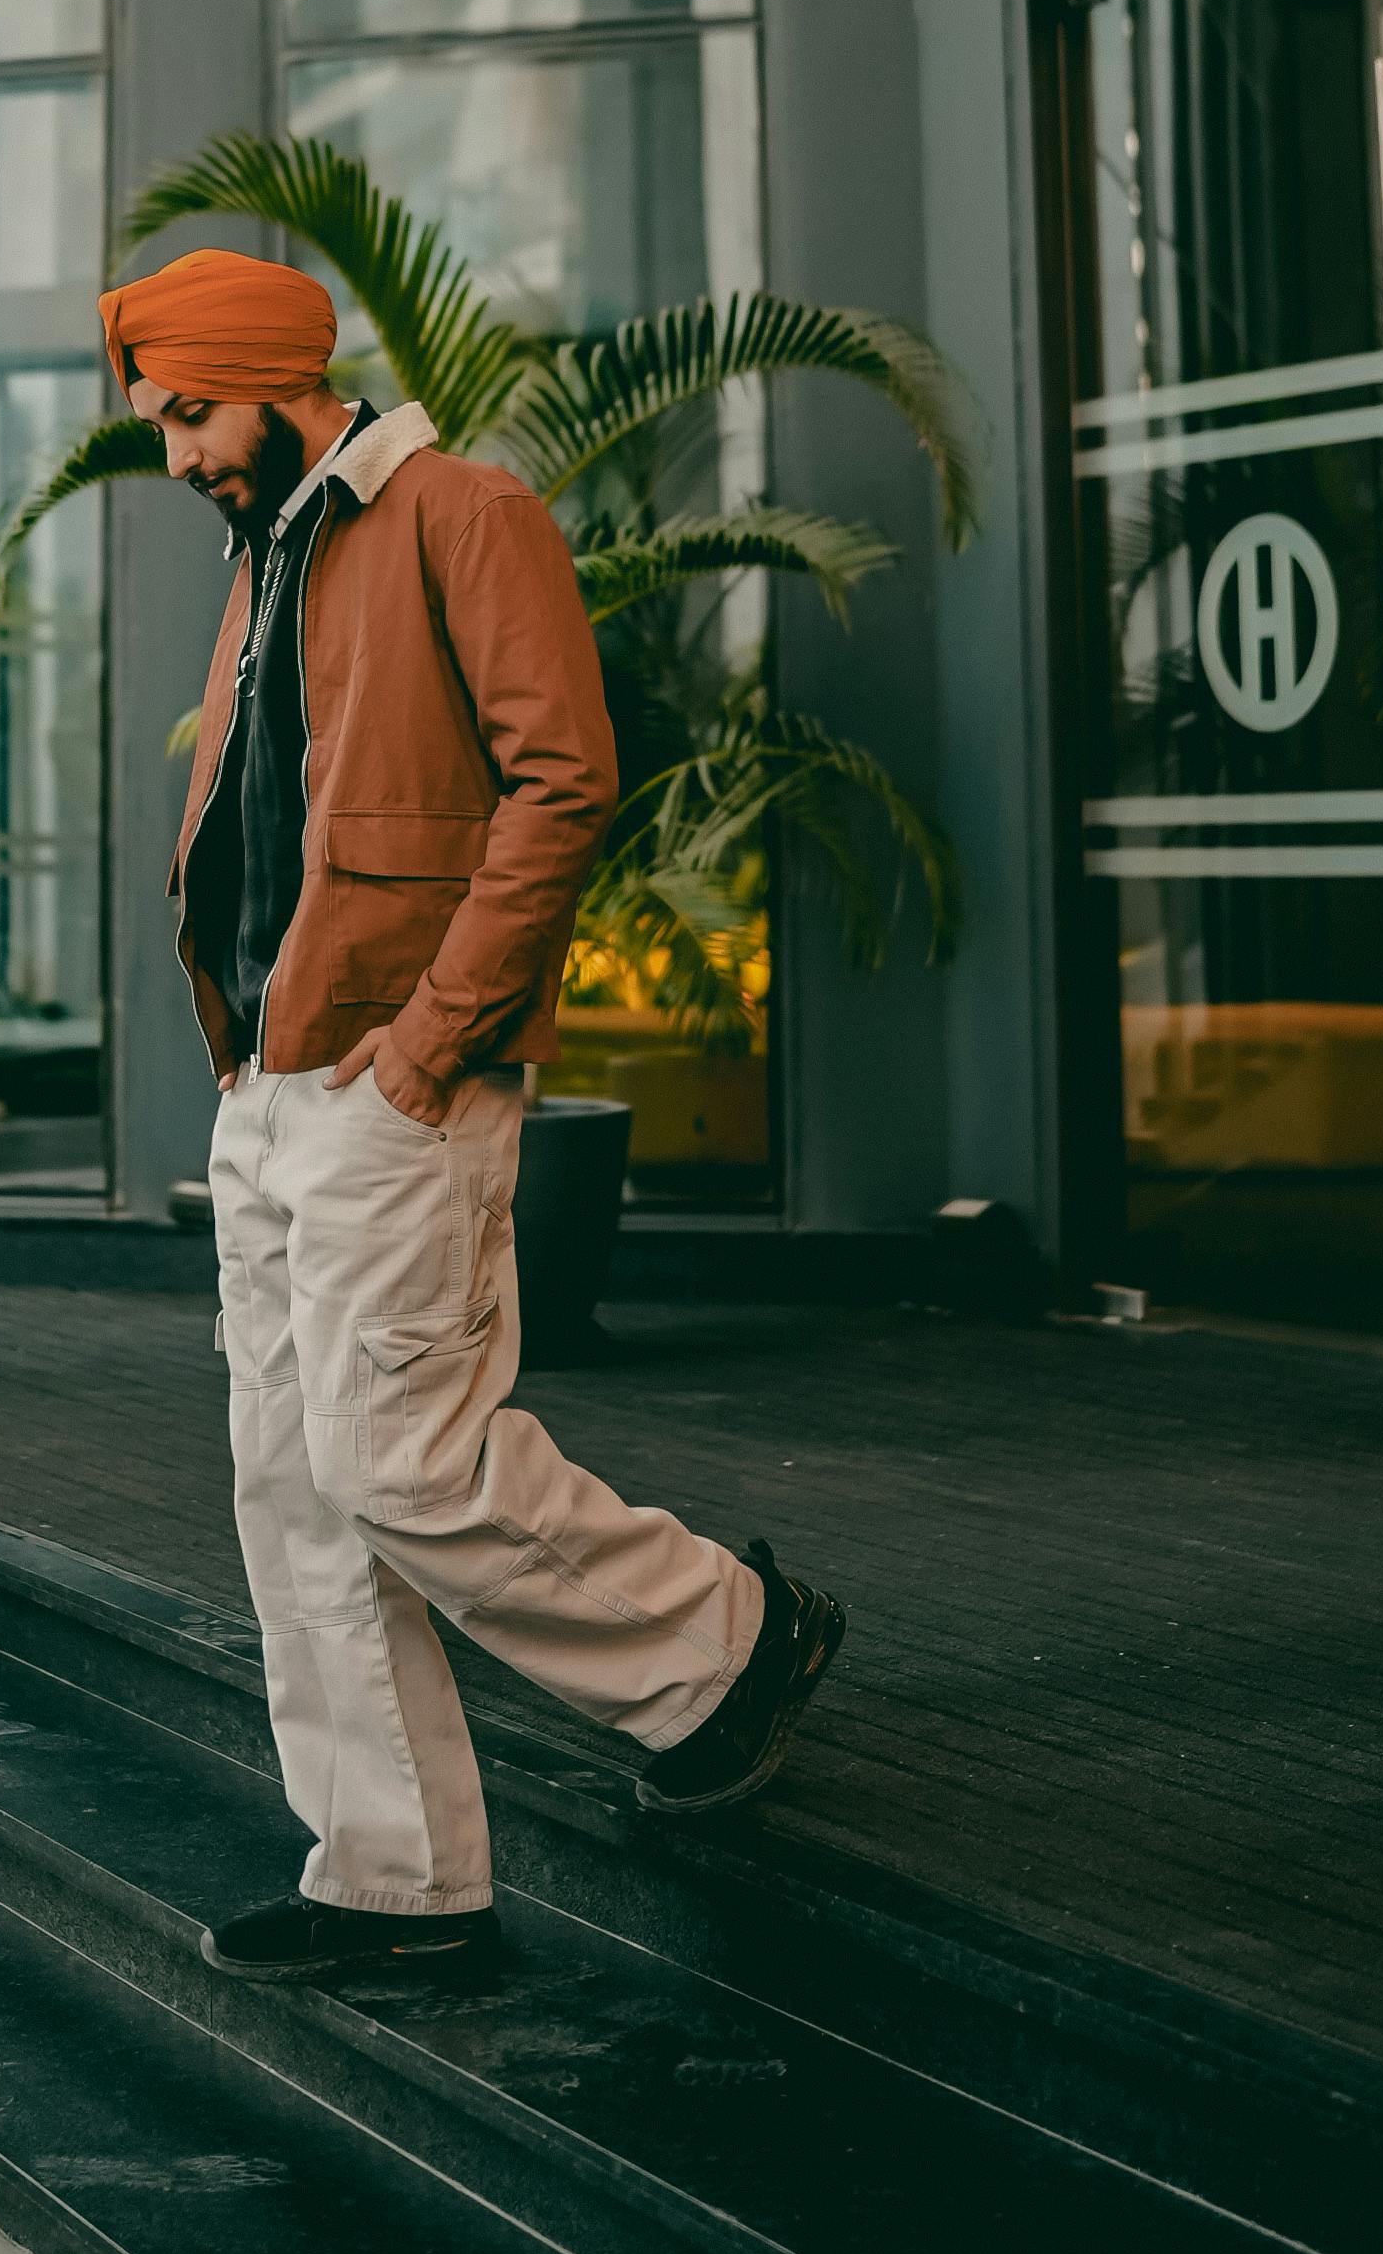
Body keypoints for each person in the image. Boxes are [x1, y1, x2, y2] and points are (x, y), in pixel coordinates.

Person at [98, 245, 845, 1987]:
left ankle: (728, 1642)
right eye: (158, 422)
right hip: (272, 1084)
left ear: (280, 379)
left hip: (395, 1080)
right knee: (290, 1493)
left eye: (190, 412)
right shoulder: (264, 552)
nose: (176, 452)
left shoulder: (463, 514)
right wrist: (250, 1057)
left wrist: (436, 1039)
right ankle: (393, 1879)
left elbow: (562, 781)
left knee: (397, 1463)